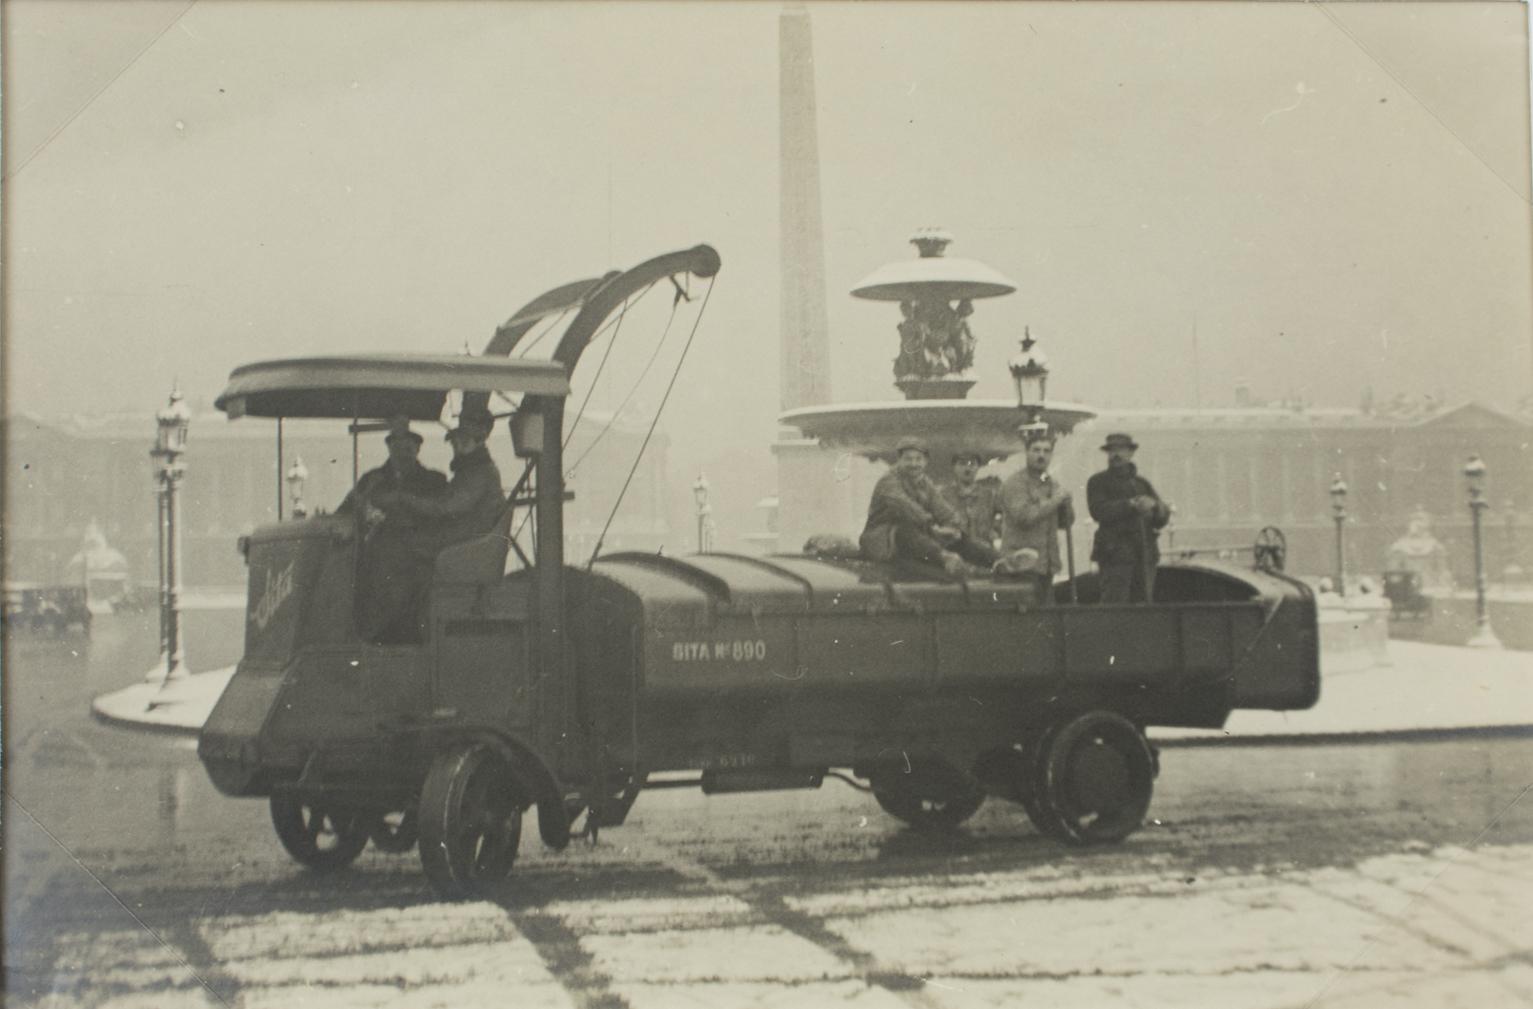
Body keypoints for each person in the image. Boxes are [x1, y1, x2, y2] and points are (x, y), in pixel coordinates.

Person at [362, 404, 505, 641]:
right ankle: (404, 620)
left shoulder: (479, 472)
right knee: (396, 546)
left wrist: (403, 499)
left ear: (480, 441)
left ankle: (390, 624)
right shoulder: (470, 471)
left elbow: (449, 507)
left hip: (465, 540)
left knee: (395, 549)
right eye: (456, 441)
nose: (458, 446)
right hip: (462, 535)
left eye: (464, 441)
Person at [859, 436, 998, 577]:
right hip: (883, 539)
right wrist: (934, 527)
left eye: (918, 459)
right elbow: (907, 508)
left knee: (957, 537)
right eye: (908, 459)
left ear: (925, 462)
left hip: (919, 536)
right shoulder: (888, 481)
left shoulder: (925, 482)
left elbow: (943, 509)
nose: (914, 464)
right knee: (904, 531)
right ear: (899, 460)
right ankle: (946, 558)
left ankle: (999, 561)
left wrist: (953, 526)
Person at [1087, 432, 1170, 603]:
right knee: (1115, 606)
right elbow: (1098, 511)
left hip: (1144, 555)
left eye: (1121, 450)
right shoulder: (1098, 482)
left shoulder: (1142, 484)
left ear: (1131, 453)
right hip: (1114, 556)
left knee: (1143, 607)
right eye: (1112, 450)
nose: (1116, 454)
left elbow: (1161, 518)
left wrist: (1154, 507)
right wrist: (1131, 504)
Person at [336, 417, 448, 531]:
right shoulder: (371, 478)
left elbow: (444, 512)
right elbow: (344, 511)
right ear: (389, 449)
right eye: (397, 448)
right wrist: (367, 496)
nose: (402, 454)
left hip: (423, 543)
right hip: (379, 541)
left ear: (417, 449)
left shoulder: (434, 479)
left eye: (408, 449)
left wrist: (405, 499)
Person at [998, 435, 1074, 598]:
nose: (1041, 455)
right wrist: (1055, 500)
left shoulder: (1052, 484)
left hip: (1046, 565)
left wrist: (1067, 505)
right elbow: (1024, 517)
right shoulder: (1015, 484)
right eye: (1036, 450)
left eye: (1047, 451)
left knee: (1045, 616)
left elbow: (1066, 523)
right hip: (1020, 566)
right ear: (1026, 452)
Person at [939, 451, 1002, 549]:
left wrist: (995, 530)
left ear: (978, 467)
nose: (967, 469)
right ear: (953, 467)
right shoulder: (943, 495)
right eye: (962, 464)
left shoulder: (989, 495)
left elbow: (1007, 516)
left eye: (972, 464)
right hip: (953, 549)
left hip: (984, 549)